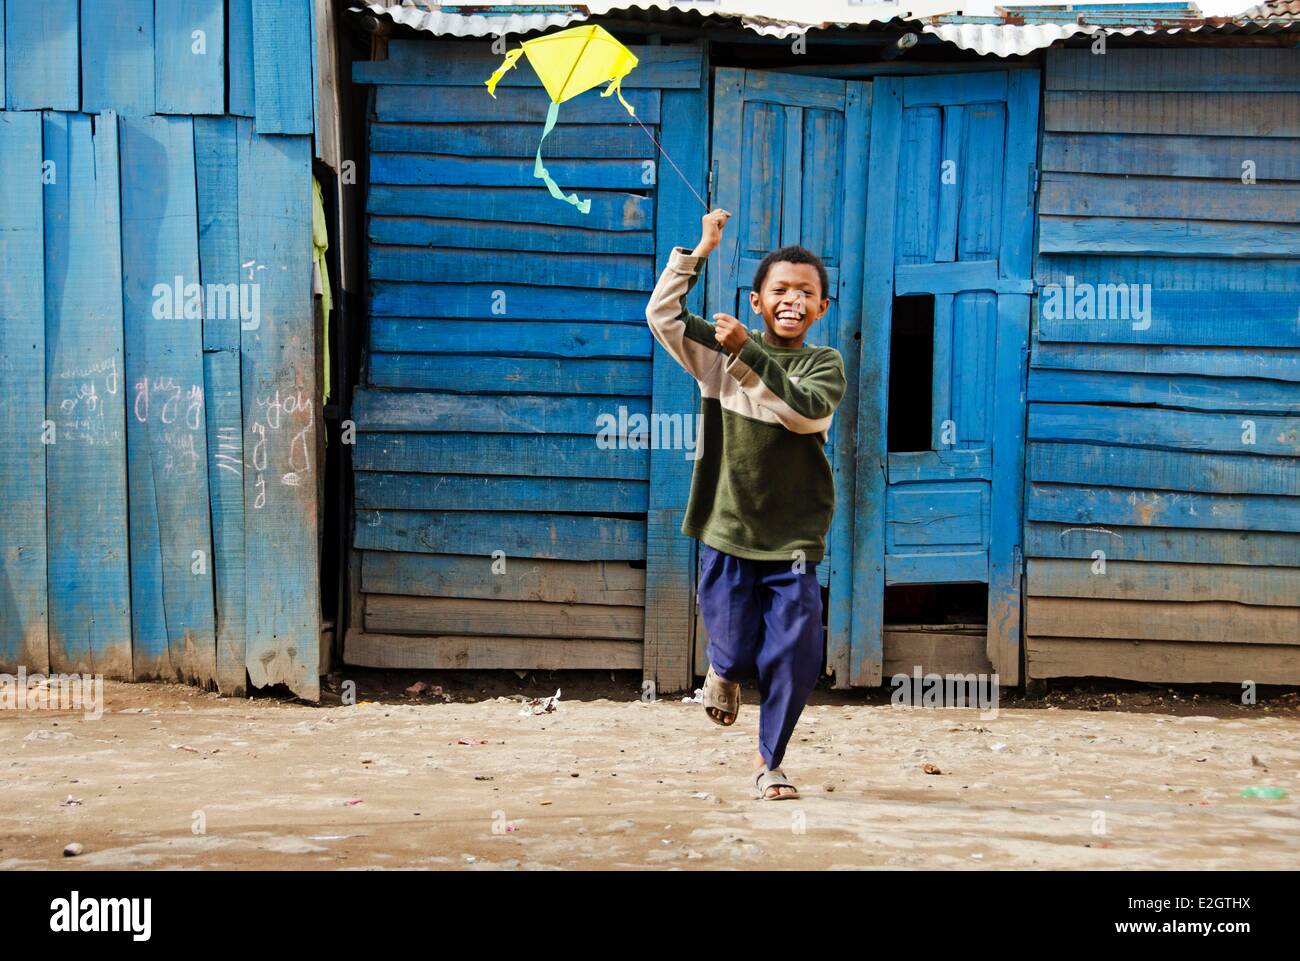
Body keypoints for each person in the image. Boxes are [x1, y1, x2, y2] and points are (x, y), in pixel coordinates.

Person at [644, 208, 846, 800]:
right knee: (732, 647)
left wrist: (749, 355)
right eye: (779, 290)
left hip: (794, 538)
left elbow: (807, 414)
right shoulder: (718, 353)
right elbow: (662, 315)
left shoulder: (822, 363)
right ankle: (726, 672)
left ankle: (771, 761)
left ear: (821, 309)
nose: (792, 299)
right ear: (756, 301)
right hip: (727, 526)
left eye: (806, 293)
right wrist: (699, 250)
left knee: (798, 647)